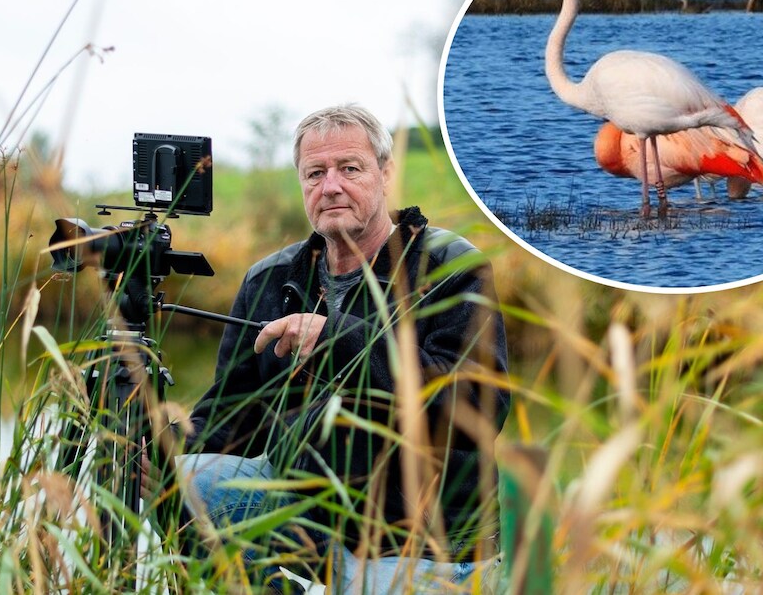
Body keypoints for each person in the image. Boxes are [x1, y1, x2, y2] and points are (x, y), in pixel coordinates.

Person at [152, 104, 510, 593]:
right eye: (315, 173)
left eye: (350, 168)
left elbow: (475, 410)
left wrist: (337, 338)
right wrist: (153, 442)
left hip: (422, 539)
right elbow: (228, 424)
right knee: (186, 479)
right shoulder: (271, 280)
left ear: (386, 173)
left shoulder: (447, 266)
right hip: (305, 519)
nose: (331, 186)